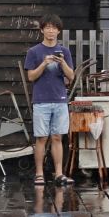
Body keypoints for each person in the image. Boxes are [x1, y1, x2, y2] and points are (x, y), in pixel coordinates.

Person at [24, 14, 76, 186]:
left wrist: (62, 63)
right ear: (42, 30)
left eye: (54, 28)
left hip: (60, 99)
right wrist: (44, 63)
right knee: (41, 138)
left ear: (58, 31)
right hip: (41, 100)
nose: (51, 31)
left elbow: (71, 76)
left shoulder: (65, 52)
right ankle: (39, 174)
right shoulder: (34, 52)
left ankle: (59, 173)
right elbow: (31, 76)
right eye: (47, 27)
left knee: (57, 137)